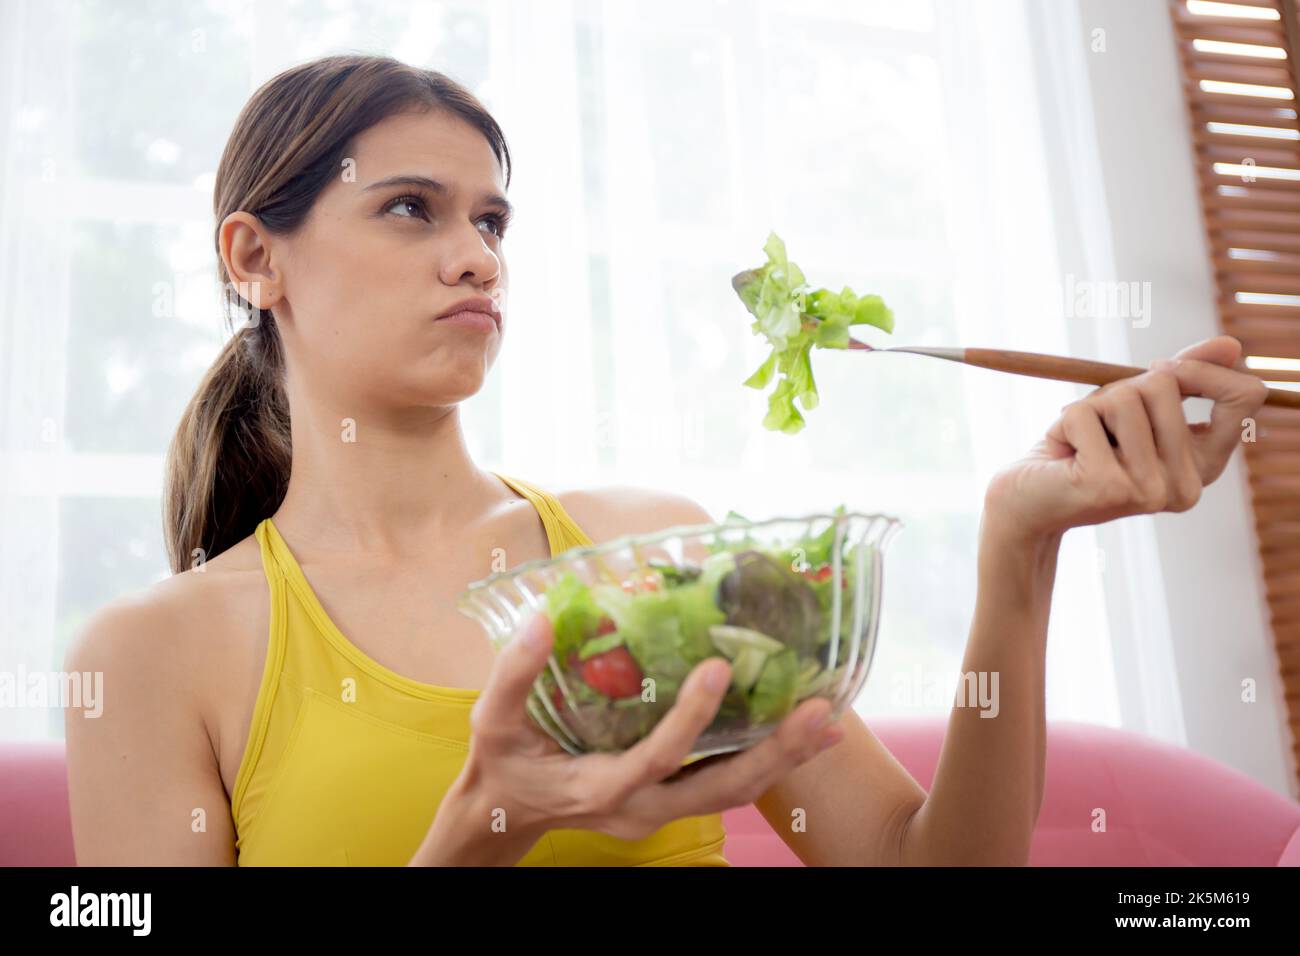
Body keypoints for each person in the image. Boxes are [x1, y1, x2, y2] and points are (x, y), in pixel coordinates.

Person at [63, 54, 1269, 866]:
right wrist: (486, 823)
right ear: (253, 256)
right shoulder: (154, 655)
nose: (476, 256)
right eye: (409, 208)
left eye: (491, 220)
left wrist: (1023, 540)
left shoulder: (653, 554)